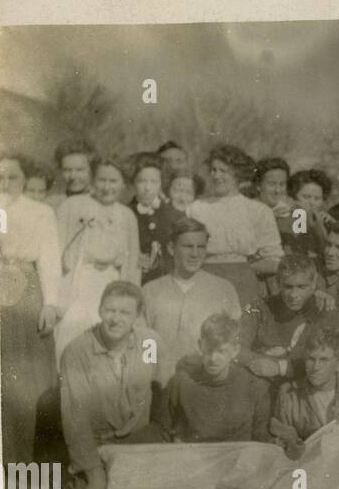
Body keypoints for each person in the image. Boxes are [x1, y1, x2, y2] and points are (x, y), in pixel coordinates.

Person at [59, 280, 163, 489]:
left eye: (125, 312)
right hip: (99, 444)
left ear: (138, 315)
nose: (116, 319)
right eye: (110, 310)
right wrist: (95, 474)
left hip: (139, 440)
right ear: (99, 310)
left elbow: (160, 386)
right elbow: (75, 419)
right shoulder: (77, 353)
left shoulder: (149, 344)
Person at [0, 153, 61, 464]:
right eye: (0, 177)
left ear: (25, 180)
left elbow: (49, 258)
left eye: (13, 177)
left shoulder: (40, 212)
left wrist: (50, 303)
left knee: (25, 377)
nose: (6, 184)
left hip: (27, 290)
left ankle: (22, 459)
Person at [54, 154, 140, 360]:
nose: (107, 187)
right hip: (78, 281)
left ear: (123, 184)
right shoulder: (72, 206)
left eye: (113, 181)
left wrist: (131, 301)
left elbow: (132, 262)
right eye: (102, 180)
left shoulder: (127, 216)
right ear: (93, 180)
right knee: (72, 332)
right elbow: (57, 253)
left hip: (111, 284)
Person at [140, 216, 242, 384]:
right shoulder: (150, 291)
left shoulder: (224, 289)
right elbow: (144, 342)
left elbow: (233, 342)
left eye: (201, 247)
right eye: (188, 246)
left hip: (205, 385)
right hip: (161, 384)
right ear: (172, 248)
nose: (195, 254)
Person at [188, 144, 282, 312]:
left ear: (237, 173)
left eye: (223, 171)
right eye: (213, 170)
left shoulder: (258, 210)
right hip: (204, 280)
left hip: (243, 282)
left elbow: (275, 260)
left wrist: (243, 269)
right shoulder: (196, 208)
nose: (216, 176)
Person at [160, 312, 271, 443]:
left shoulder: (254, 387)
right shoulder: (181, 382)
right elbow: (162, 430)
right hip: (191, 459)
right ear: (200, 345)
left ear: (235, 350)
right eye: (209, 350)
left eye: (221, 351)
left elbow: (261, 441)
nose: (213, 359)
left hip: (237, 461)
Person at [270, 327, 339, 450]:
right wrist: (291, 444)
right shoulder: (289, 393)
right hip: (306, 462)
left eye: (324, 360)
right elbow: (281, 441)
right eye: (311, 359)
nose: (316, 367)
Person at [240, 254, 339, 382]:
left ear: (313, 284)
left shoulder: (323, 310)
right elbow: (236, 347)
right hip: (260, 383)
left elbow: (328, 363)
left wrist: (279, 367)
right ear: (277, 283)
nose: (294, 295)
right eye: (288, 287)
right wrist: (259, 361)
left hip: (304, 386)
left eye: (301, 287)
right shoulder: (260, 307)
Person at [129, 152, 179, 284]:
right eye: (141, 181)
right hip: (137, 278)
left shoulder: (172, 213)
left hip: (168, 278)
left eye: (154, 182)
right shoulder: (126, 213)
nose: (147, 188)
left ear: (161, 183)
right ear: (133, 182)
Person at [284, 168, 332, 263]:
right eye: (306, 197)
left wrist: (324, 226)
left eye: (317, 198)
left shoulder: (325, 220)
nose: (311, 202)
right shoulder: (289, 217)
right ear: (294, 197)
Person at [53, 139, 95, 204]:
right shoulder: (52, 204)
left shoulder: (102, 202)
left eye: (79, 170)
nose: (72, 176)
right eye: (67, 170)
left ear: (92, 170)